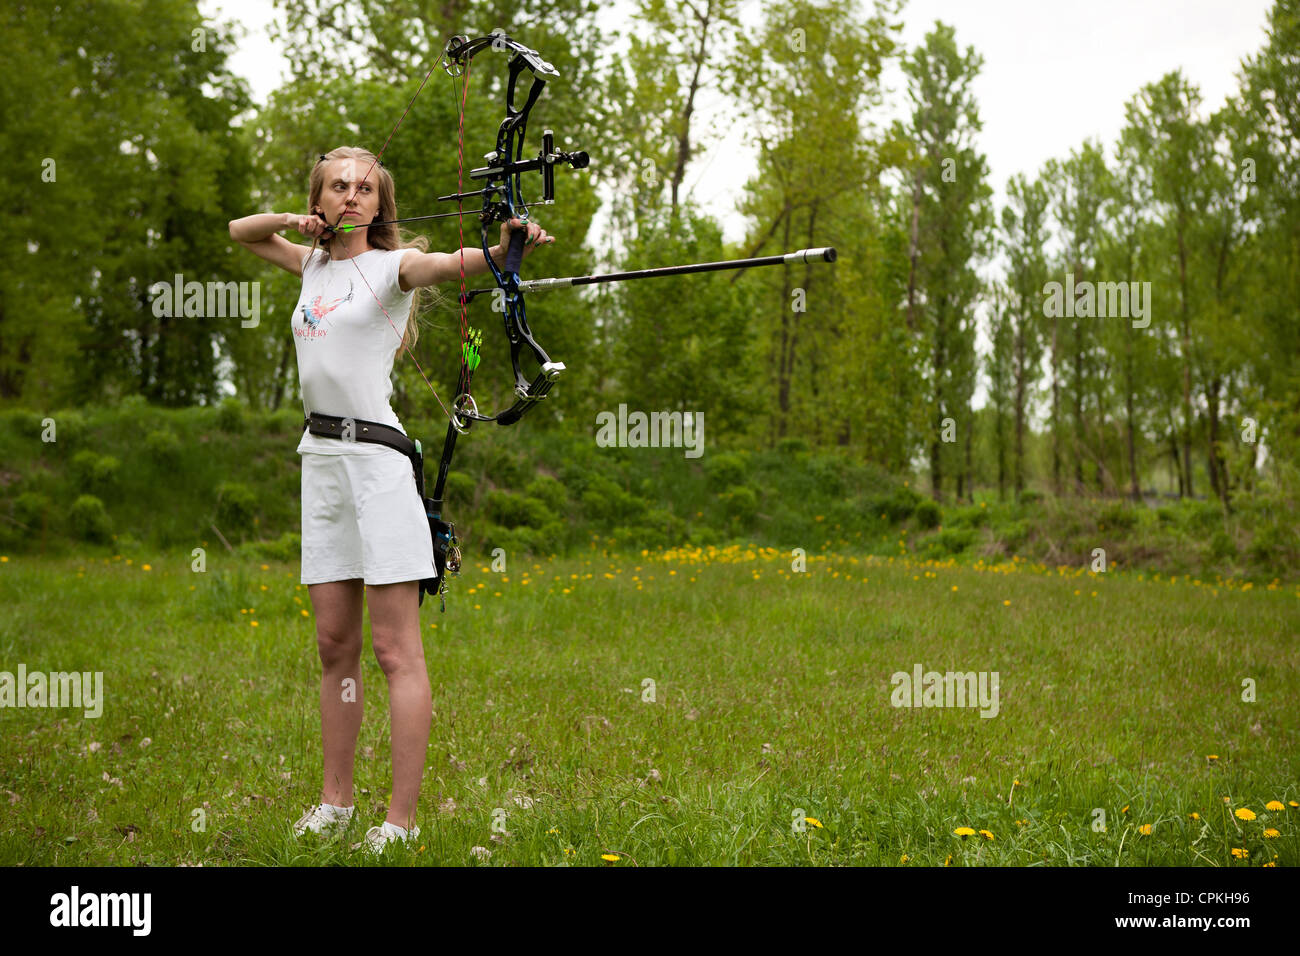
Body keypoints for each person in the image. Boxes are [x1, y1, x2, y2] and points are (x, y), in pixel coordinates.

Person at [228, 146, 553, 853]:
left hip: (378, 464)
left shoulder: (390, 267)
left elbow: (449, 265)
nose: (352, 197)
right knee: (333, 645)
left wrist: (505, 246)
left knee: (393, 649)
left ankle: (400, 823)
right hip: (321, 461)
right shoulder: (310, 263)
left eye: (365, 189)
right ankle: (335, 805)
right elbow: (241, 231)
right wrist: (297, 221)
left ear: (381, 205)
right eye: (338, 187)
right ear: (320, 198)